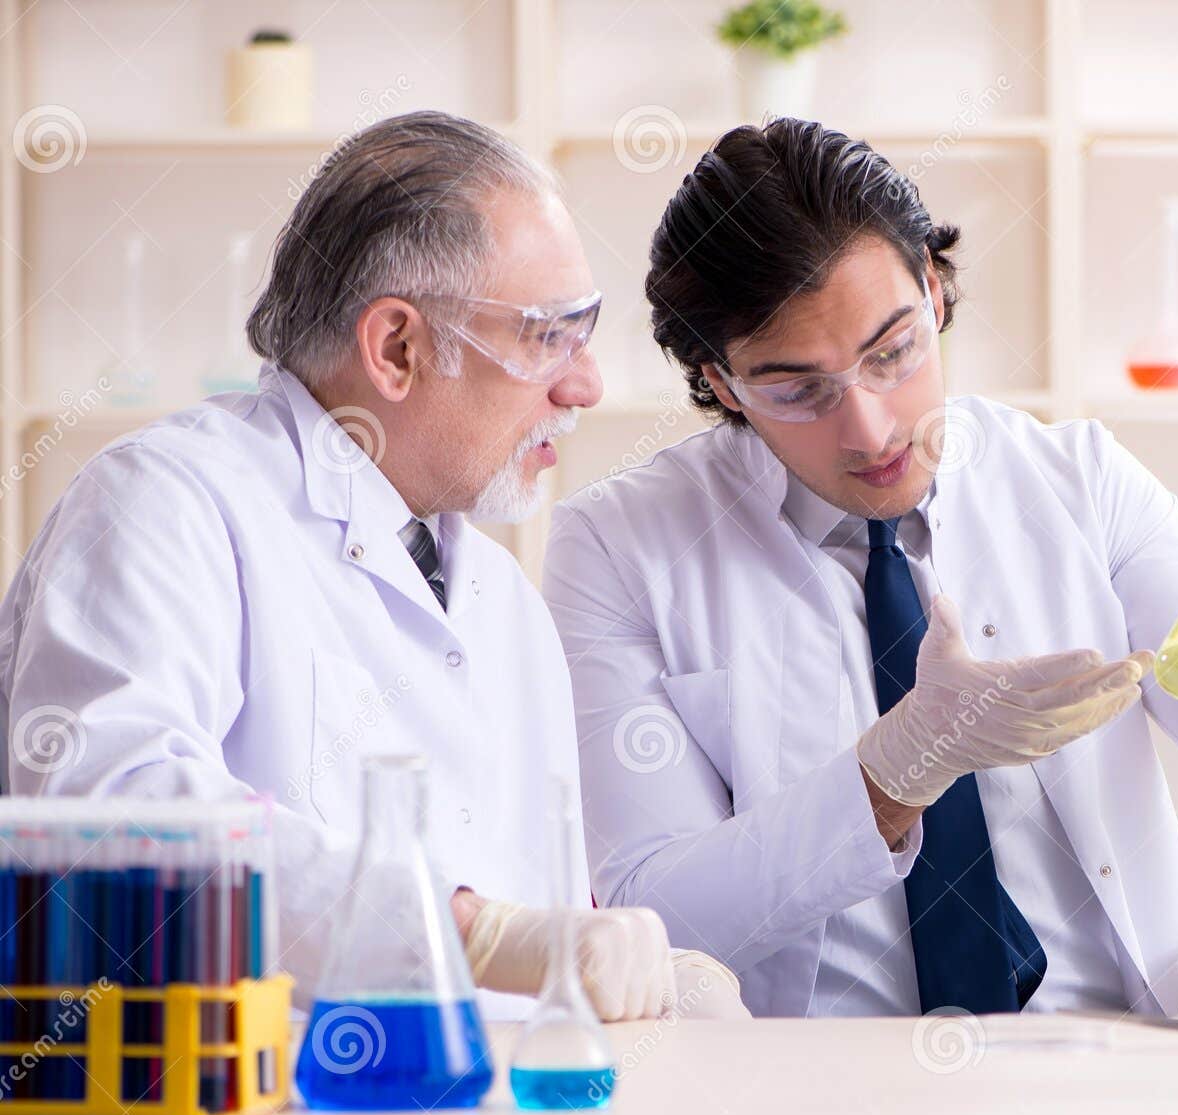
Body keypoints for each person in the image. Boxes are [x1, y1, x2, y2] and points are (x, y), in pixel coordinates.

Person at [542, 118, 1178, 1019]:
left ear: (932, 289)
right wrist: (890, 775)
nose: (870, 429)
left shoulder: (1082, 485)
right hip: (817, 1099)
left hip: (1114, 1068)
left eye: (894, 352)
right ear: (722, 384)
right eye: (798, 390)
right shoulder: (620, 547)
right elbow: (656, 923)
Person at [0, 111, 745, 1021]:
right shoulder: (168, 501)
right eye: (549, 337)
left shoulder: (500, 596)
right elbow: (112, 820)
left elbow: (537, 925)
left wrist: (653, 985)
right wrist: (467, 934)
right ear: (398, 348)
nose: (584, 385)